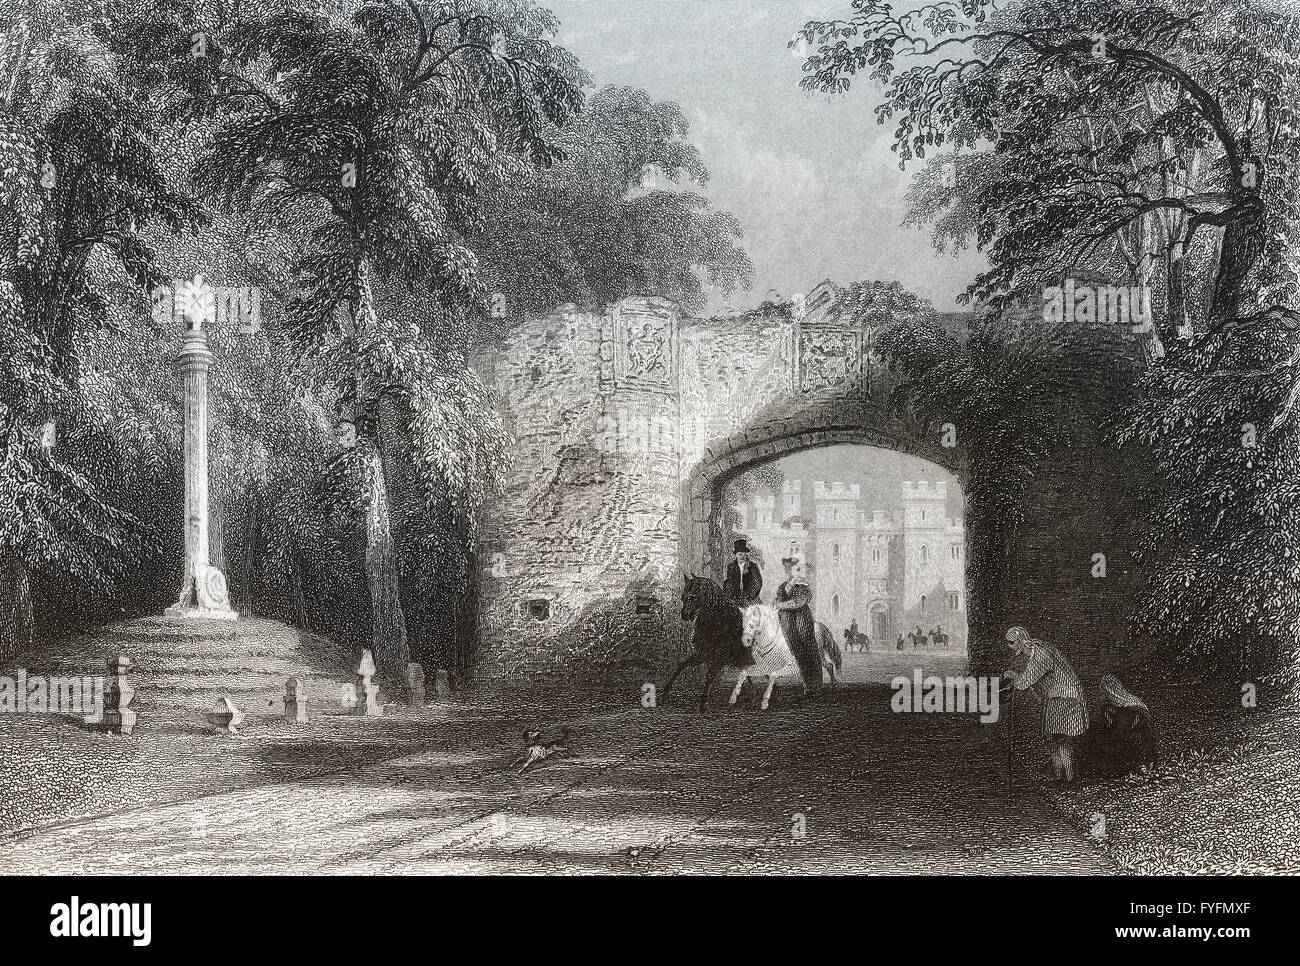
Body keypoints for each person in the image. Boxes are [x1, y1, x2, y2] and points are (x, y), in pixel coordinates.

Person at [1003, 626, 1089, 783]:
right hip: (1058, 697)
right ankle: (1061, 777)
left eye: (1011, 642)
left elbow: (1024, 682)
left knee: (1059, 739)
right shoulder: (1037, 647)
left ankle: (1068, 778)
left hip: (1063, 698)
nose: (1009, 646)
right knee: (1055, 739)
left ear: (1019, 642)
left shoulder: (1040, 655)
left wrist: (1014, 676)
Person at [774, 556, 821, 690]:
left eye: (791, 567)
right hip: (786, 621)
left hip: (801, 619)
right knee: (796, 650)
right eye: (786, 567)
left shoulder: (802, 585)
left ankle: (814, 683)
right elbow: (778, 599)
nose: (788, 570)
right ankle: (806, 681)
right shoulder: (783, 586)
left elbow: (799, 602)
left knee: (808, 648)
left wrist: (780, 604)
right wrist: (780, 604)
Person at [723, 538, 762, 605]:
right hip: (735, 599)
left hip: (751, 599)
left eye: (744, 554)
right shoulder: (731, 567)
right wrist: (731, 596)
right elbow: (729, 583)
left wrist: (748, 597)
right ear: (736, 555)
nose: (742, 557)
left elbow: (757, 584)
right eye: (740, 554)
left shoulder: (752, 566)